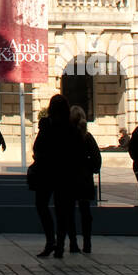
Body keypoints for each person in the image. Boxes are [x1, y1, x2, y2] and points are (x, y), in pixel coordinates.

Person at [32, 94, 84, 258]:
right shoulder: (72, 129)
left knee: (42, 205)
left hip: (47, 172)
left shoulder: (47, 125)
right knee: (63, 210)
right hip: (65, 174)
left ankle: (50, 240)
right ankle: (60, 246)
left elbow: (37, 147)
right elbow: (78, 153)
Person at [69, 105, 102, 254]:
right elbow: (97, 161)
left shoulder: (66, 136)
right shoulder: (87, 138)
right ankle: (87, 243)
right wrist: (89, 169)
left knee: (68, 213)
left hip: (69, 180)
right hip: (84, 180)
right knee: (85, 213)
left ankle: (73, 243)